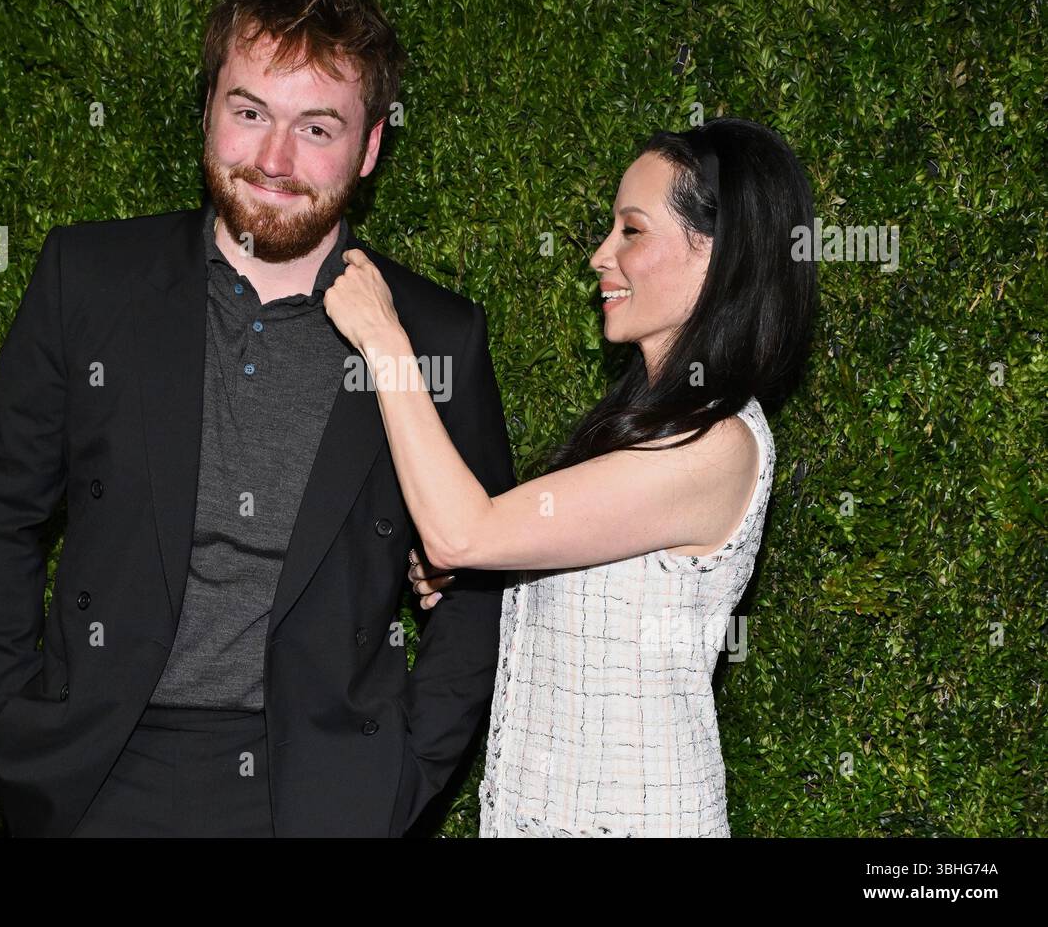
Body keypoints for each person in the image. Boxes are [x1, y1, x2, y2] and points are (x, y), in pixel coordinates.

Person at [0, 0, 516, 837]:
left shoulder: (435, 337)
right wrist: (6, 725)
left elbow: (481, 580)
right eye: (250, 112)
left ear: (370, 148)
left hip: (319, 792)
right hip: (95, 773)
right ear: (209, 111)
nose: (275, 159)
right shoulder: (91, 278)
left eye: (317, 128)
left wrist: (401, 776)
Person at [323, 117, 818, 836]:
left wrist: (385, 341)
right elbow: (523, 553)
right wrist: (474, 572)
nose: (600, 255)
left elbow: (465, 527)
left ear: (718, 254)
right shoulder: (645, 422)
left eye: (632, 231)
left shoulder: (717, 443)